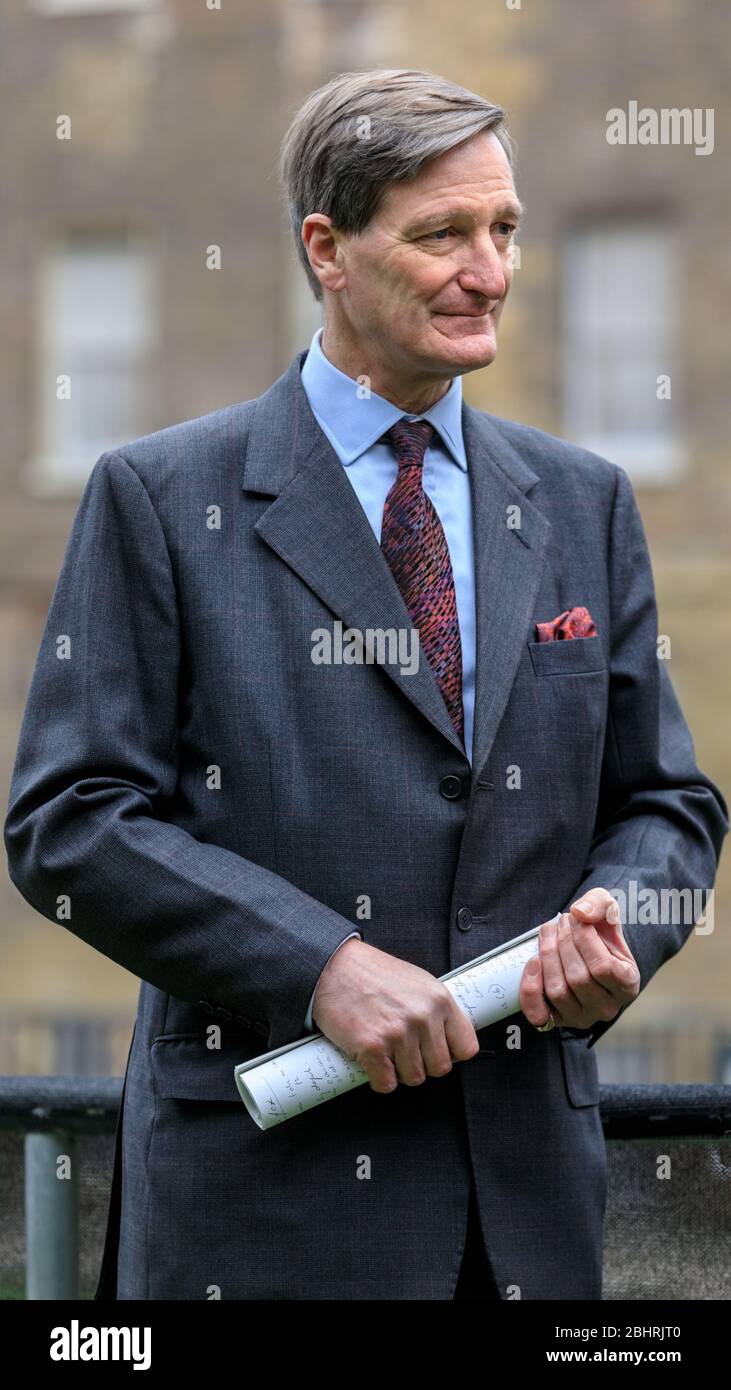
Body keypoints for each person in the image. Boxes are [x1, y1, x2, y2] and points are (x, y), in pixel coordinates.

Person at [4, 68, 727, 1301]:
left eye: (502, 230)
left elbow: (668, 806)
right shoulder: (162, 498)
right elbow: (68, 822)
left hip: (527, 1220)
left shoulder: (581, 501)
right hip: (261, 1213)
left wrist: (621, 930)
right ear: (325, 249)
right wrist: (318, 963)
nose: (488, 271)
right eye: (440, 233)